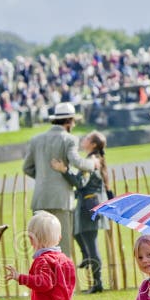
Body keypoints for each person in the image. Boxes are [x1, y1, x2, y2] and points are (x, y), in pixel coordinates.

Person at [22, 102, 96, 258]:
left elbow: (27, 168)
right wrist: (92, 164)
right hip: (60, 200)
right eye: (74, 121)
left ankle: (44, 281)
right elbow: (76, 162)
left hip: (40, 200)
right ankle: (64, 282)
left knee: (40, 248)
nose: (74, 124)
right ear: (68, 121)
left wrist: (43, 177)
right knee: (62, 248)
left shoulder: (36, 139)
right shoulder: (69, 139)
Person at [4, 211, 77, 300]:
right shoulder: (63, 259)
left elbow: (44, 283)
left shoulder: (43, 260)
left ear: (31, 240)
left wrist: (20, 277)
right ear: (59, 237)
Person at [51, 130, 112, 293]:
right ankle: (87, 258)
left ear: (92, 144)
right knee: (78, 234)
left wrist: (64, 170)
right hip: (90, 205)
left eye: (86, 138)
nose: (83, 140)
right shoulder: (96, 159)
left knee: (92, 246)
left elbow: (80, 182)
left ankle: (97, 283)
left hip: (88, 207)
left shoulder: (91, 161)